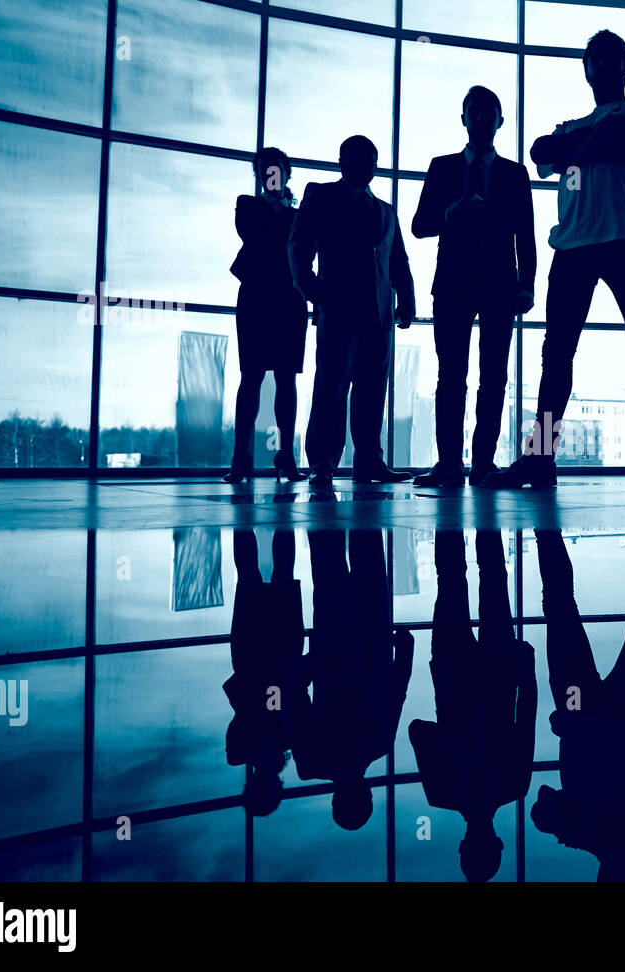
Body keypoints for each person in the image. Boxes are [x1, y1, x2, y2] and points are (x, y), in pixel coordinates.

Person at [482, 30, 625, 492]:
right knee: (556, 359)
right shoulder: (575, 125)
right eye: (594, 59)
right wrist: (586, 142)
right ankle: (541, 459)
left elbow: (618, 140)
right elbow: (540, 152)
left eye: (611, 58)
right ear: (586, 70)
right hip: (572, 248)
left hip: (624, 242)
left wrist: (573, 148)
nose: (602, 65)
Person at [529, 528, 625, 880]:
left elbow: (544, 806)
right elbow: (541, 805)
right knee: (560, 605)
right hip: (582, 715)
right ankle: (545, 526)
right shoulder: (584, 835)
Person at [411, 87, 536, 488]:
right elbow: (419, 225)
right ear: (463, 119)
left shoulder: (516, 174)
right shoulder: (441, 167)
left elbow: (526, 236)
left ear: (500, 121)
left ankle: (482, 464)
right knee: (451, 375)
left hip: (499, 286)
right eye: (474, 112)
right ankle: (449, 464)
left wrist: (527, 286)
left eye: (489, 113)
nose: (481, 118)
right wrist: (450, 212)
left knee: (494, 377)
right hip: (451, 286)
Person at [408, 530, 536, 881]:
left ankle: (485, 497)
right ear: (462, 847)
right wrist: (453, 744)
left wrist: (527, 673)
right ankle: (451, 496)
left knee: (493, 578)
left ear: (499, 843)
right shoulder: (440, 791)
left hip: (499, 676)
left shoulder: (515, 786)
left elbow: (525, 719)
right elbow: (418, 730)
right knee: (451, 580)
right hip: (453, 677)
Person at [288, 135, 415, 485]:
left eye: (371, 160)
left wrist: (406, 298)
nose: (366, 167)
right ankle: (323, 463)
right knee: (332, 386)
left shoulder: (386, 211)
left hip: (378, 314)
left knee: (372, 391)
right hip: (337, 309)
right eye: (358, 160)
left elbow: (397, 259)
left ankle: (369, 462)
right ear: (342, 162)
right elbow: (298, 246)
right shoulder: (322, 196)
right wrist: (312, 290)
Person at [289, 528, 414, 831]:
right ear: (335, 800)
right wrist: (301, 671)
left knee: (367, 555)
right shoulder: (311, 762)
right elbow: (291, 707)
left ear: (368, 794)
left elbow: (396, 692)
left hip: (372, 646)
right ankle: (323, 492)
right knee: (328, 562)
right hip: (333, 648)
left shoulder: (379, 744)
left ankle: (359, 488)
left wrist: (405, 654)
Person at [225, 148, 309, 484]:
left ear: (288, 174)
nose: (271, 175)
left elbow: (304, 250)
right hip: (259, 299)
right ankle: (241, 458)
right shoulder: (248, 205)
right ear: (259, 175)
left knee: (286, 379)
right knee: (252, 377)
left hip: (287, 300)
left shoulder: (299, 215)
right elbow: (256, 237)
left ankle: (284, 457)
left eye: (276, 170)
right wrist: (278, 208)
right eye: (265, 170)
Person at [223, 527, 307, 817]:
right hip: (254, 660)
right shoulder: (243, 749)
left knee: (277, 575)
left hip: (278, 659)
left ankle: (277, 515)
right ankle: (244, 520)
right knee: (252, 578)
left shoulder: (292, 740)